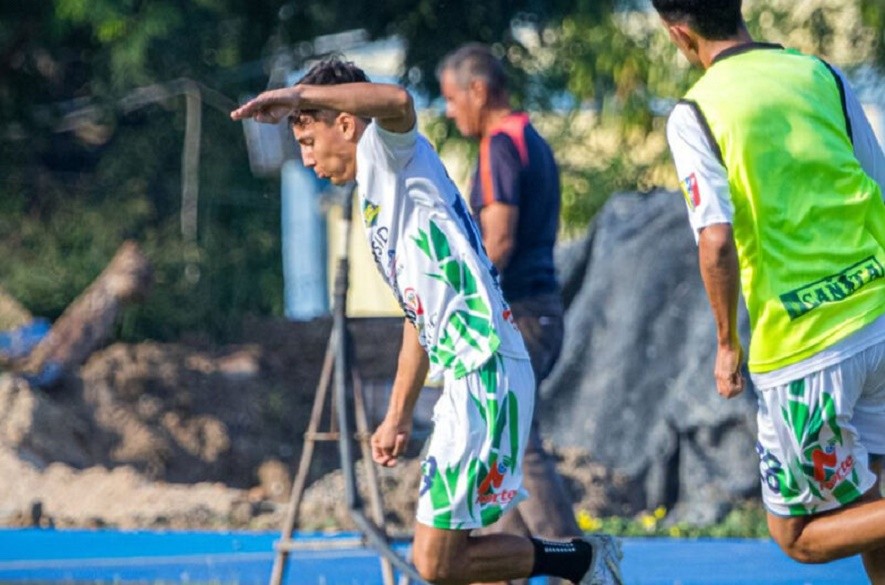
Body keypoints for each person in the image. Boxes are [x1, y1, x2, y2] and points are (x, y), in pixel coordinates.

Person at [231, 58, 623, 585]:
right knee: (460, 557)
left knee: (436, 561)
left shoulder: (388, 154)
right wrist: (397, 414)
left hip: (482, 369)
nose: (306, 160)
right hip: (471, 374)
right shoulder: (380, 195)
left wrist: (298, 93)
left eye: (308, 141)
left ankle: (580, 560)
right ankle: (578, 560)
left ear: (345, 124)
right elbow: (420, 316)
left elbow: (396, 102)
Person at [651, 0, 885, 581]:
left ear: (679, 34)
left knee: (799, 535)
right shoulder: (819, 73)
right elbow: (875, 180)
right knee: (874, 506)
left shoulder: (695, 111)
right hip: (879, 309)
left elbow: (715, 240)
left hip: (805, 343)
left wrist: (727, 342)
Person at [437, 42, 582, 565]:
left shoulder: (500, 143)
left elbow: (497, 239)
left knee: (518, 443)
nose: (450, 112)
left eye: (452, 99)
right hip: (539, 309)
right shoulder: (529, 137)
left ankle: (579, 563)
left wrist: (459, 300)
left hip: (519, 312)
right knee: (502, 444)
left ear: (478, 90)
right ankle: (507, 570)